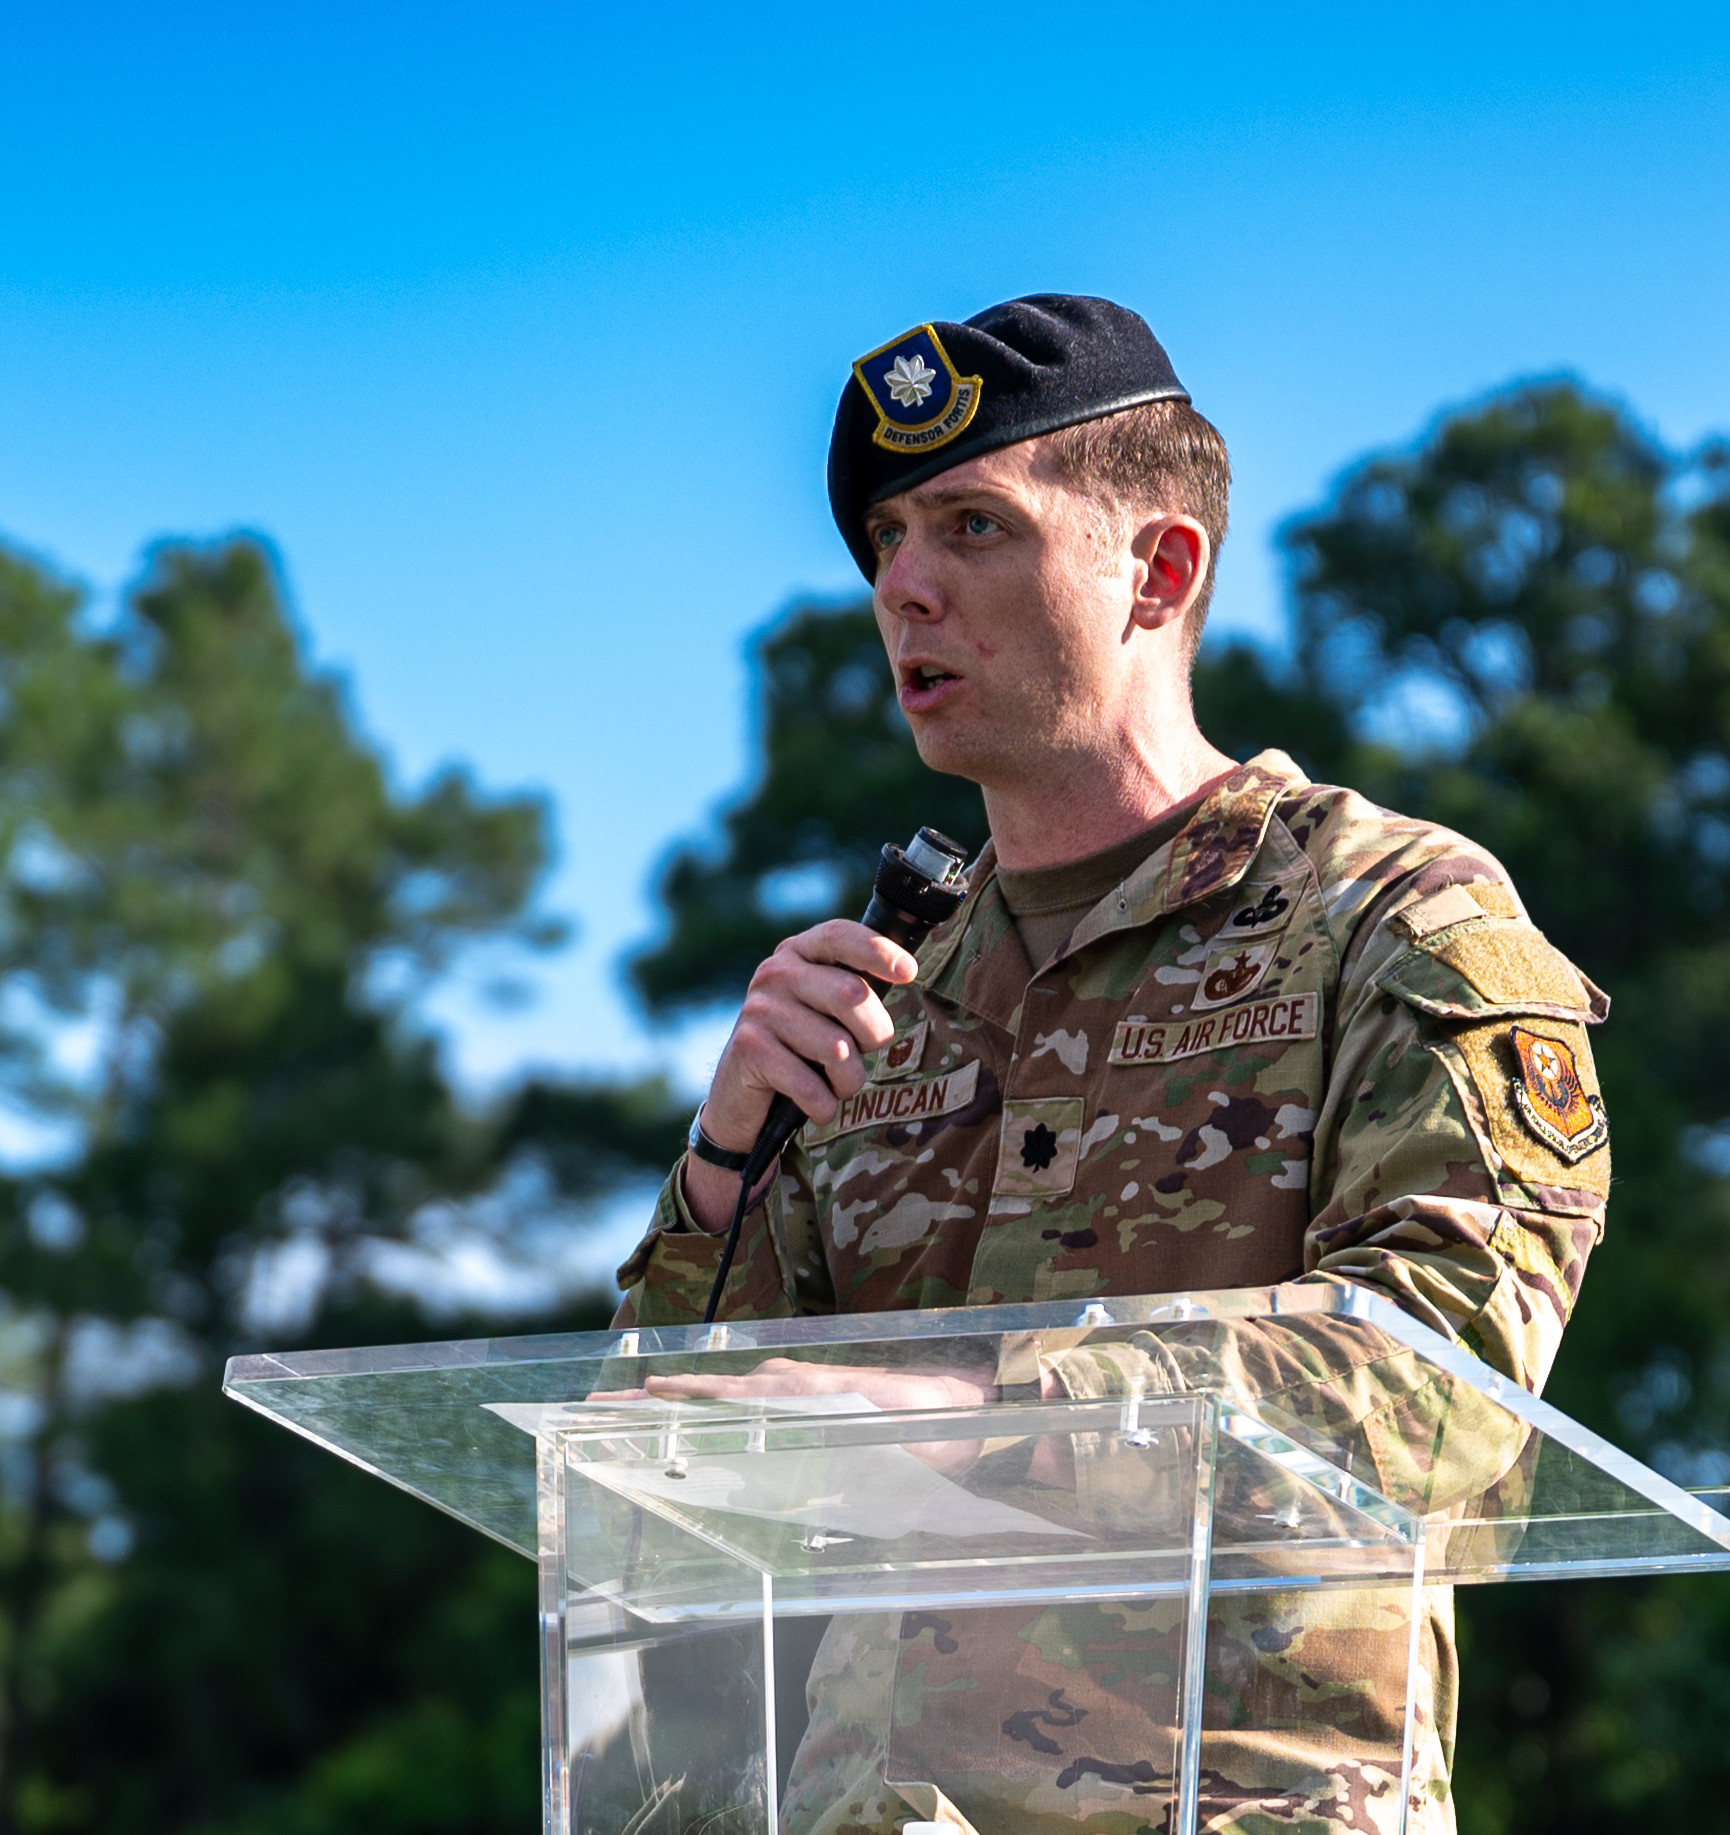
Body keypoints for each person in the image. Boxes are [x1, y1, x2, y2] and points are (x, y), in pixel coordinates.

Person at [612, 294, 1612, 1835]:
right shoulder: (878, 995)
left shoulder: (1390, 921)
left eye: (972, 528)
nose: (905, 588)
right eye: (884, 538)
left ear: (1159, 570)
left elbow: (1445, 1389)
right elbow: (661, 1473)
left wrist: (969, 1415)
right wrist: (720, 1166)